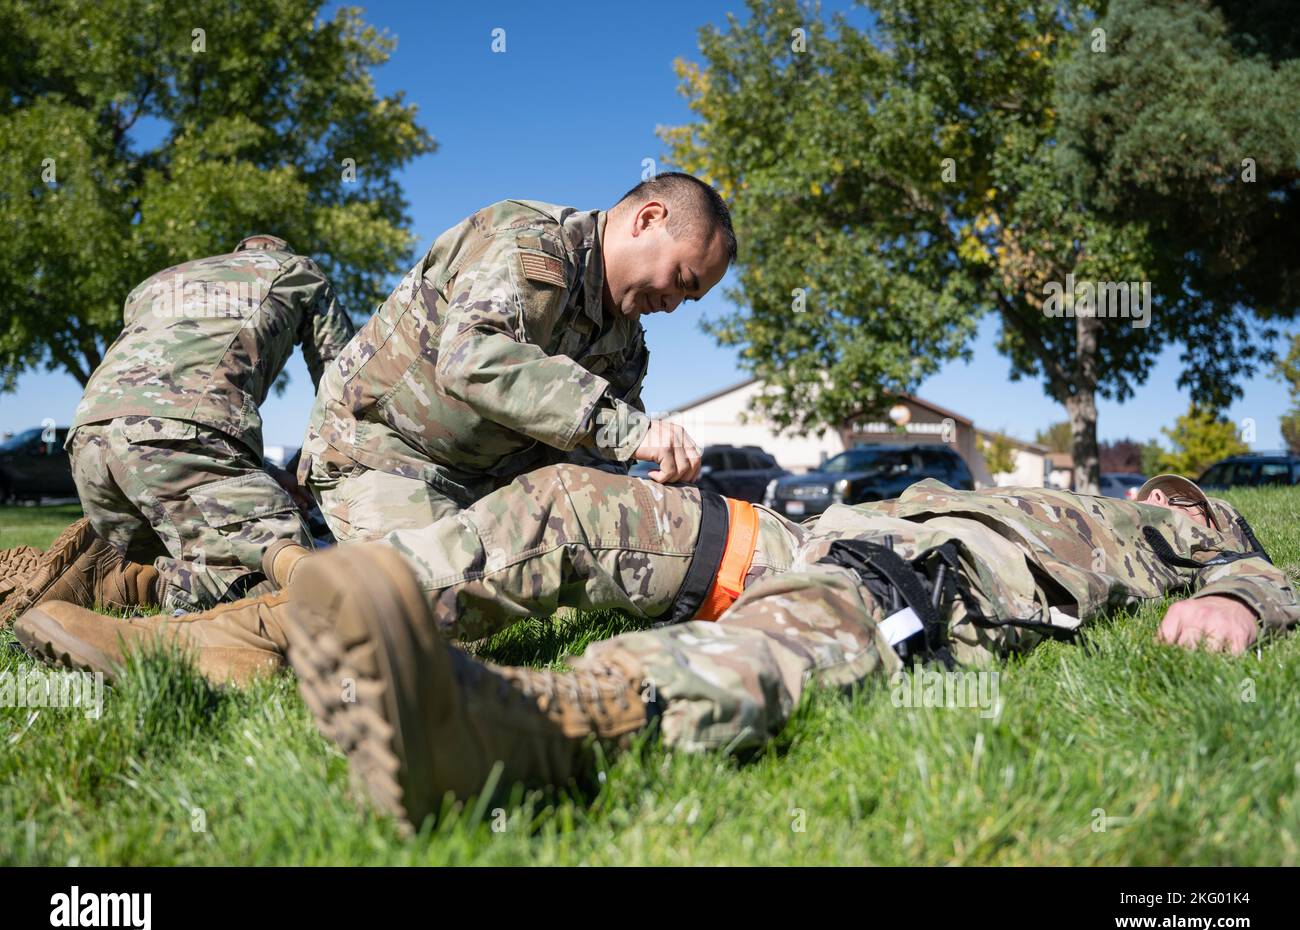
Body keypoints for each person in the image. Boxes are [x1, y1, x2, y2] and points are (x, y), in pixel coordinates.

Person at [15, 466, 1295, 828]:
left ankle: (546, 719)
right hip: (811, 519)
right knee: (567, 504)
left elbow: (1264, 573)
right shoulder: (1065, 474)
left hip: (911, 570)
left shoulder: (1179, 536)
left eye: (1187, 493)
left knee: (827, 619)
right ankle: (222, 641)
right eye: (1163, 482)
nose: (1169, 487)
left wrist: (1235, 600)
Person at [298, 172, 734, 542]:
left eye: (688, 299)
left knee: (579, 604)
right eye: (680, 278)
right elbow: (474, 358)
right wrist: (627, 429)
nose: (672, 304)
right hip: (383, 454)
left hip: (485, 484)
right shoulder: (530, 243)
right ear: (649, 219)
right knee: (435, 606)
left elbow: (597, 464)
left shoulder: (625, 341)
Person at [26, 235, 354, 616]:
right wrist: (312, 474)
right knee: (286, 576)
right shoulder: (298, 271)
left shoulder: (154, 283)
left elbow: (155, 401)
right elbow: (345, 386)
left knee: (197, 539)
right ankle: (161, 596)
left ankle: (121, 570)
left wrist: (269, 475)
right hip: (178, 442)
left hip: (88, 447)